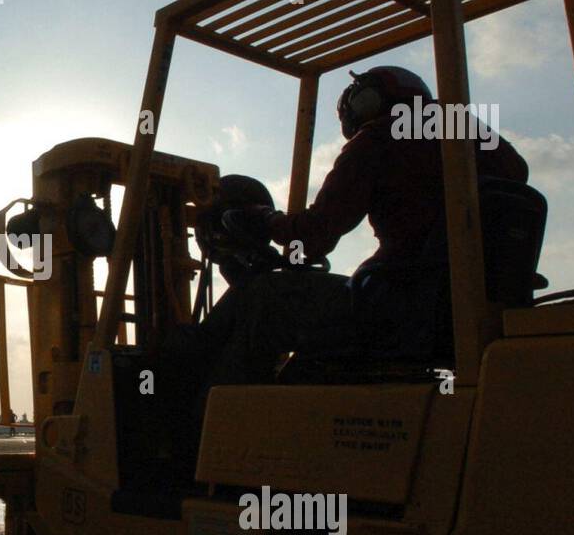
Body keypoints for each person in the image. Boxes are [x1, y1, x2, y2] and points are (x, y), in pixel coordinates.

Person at [186, 65, 529, 388]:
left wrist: (265, 219)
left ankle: (205, 418)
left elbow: (314, 234)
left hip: (398, 304)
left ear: (367, 101)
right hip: (465, 307)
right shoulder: (471, 135)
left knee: (261, 297)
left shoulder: (377, 140)